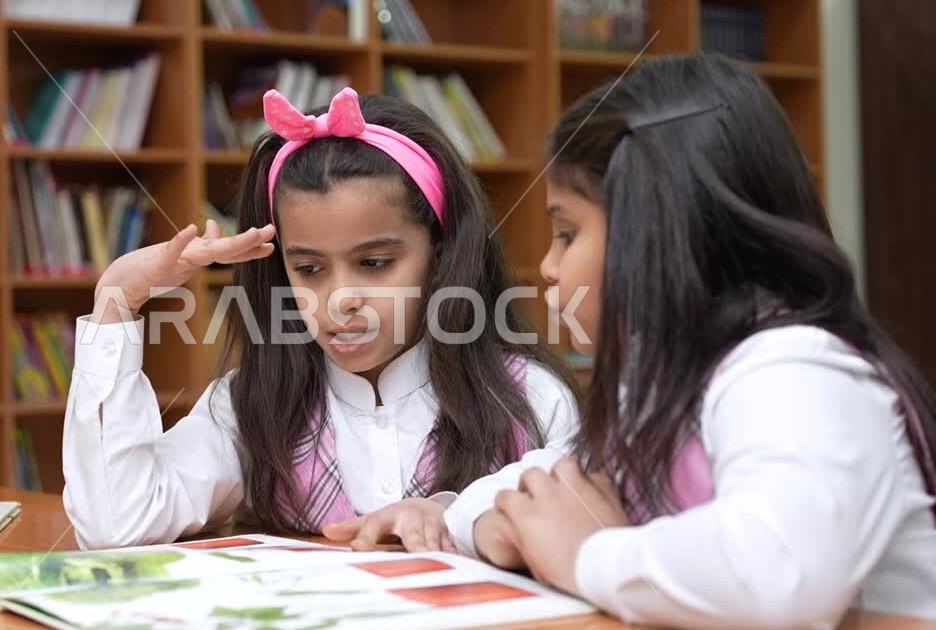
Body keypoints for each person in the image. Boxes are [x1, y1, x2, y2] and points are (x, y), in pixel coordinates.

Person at [341, 53, 936, 627]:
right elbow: (538, 482)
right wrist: (468, 516)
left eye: (567, 234)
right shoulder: (650, 391)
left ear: (656, 235)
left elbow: (779, 578)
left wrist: (585, 554)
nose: (547, 267)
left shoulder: (792, 370)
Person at [61, 86, 580, 550]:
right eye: (308, 268)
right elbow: (117, 525)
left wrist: (456, 515)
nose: (339, 299)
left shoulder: (529, 401)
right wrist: (115, 301)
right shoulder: (252, 406)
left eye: (375, 264)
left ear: (441, 255)